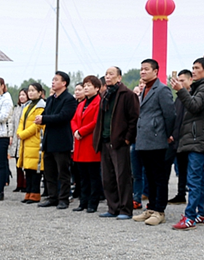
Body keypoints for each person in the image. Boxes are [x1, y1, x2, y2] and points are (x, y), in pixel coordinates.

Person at [170, 58, 204, 230]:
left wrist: (181, 91)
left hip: (199, 139)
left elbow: (194, 106)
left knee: (194, 178)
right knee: (198, 178)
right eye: (193, 67)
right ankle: (203, 213)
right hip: (194, 138)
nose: (194, 71)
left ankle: (190, 216)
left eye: (197, 68)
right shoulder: (200, 87)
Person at [132, 59, 176, 226]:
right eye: (141, 69)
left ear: (156, 71)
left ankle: (159, 211)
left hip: (157, 139)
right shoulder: (144, 90)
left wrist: (167, 134)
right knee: (148, 176)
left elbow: (170, 114)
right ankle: (150, 207)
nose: (142, 72)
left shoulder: (162, 89)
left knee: (159, 177)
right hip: (144, 139)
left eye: (146, 69)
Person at [93, 67, 139, 218]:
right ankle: (113, 208)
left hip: (119, 142)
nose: (107, 76)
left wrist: (127, 138)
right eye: (106, 74)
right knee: (107, 177)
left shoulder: (127, 95)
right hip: (105, 140)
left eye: (111, 74)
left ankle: (125, 209)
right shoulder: (105, 95)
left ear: (119, 77)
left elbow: (134, 119)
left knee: (122, 177)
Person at [37, 72, 79, 209]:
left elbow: (63, 117)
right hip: (49, 140)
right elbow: (46, 115)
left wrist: (44, 119)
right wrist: (40, 118)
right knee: (49, 172)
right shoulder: (50, 99)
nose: (53, 82)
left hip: (61, 141)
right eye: (52, 79)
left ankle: (64, 199)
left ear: (64, 83)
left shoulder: (69, 99)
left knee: (63, 172)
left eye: (56, 80)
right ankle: (52, 197)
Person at [72, 76, 103, 213]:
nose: (86, 88)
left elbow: (96, 122)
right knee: (82, 176)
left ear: (97, 88)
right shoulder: (81, 104)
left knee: (93, 176)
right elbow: (73, 120)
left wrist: (81, 131)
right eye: (85, 85)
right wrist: (76, 131)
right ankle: (83, 202)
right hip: (80, 142)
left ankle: (93, 202)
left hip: (90, 142)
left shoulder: (99, 103)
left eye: (89, 85)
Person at [17, 83, 46, 203]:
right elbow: (21, 121)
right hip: (25, 141)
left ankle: (35, 194)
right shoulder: (27, 106)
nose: (31, 93)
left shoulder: (41, 106)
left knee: (35, 170)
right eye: (29, 90)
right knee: (27, 169)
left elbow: (38, 125)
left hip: (35, 140)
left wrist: (23, 134)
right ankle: (28, 193)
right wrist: (19, 132)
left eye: (33, 90)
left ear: (40, 93)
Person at [167, 69, 192, 205]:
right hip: (176, 140)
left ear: (190, 80)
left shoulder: (191, 97)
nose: (180, 83)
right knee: (180, 170)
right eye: (179, 80)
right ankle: (180, 193)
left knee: (191, 171)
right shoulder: (178, 98)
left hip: (187, 139)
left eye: (183, 81)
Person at [10, 88, 29, 193]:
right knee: (17, 163)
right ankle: (19, 184)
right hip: (16, 138)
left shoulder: (30, 107)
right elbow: (12, 123)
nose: (21, 97)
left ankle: (26, 184)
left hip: (25, 137)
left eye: (24, 95)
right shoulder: (16, 108)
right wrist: (11, 136)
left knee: (25, 164)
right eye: (20, 95)